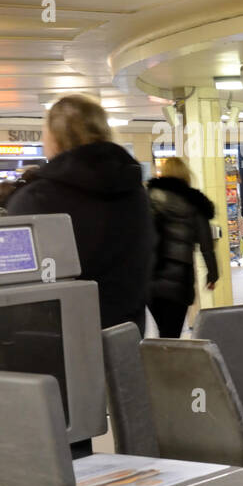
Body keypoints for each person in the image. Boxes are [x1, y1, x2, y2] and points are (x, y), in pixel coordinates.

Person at [8, 95, 154, 332]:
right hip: (124, 334)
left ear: (53, 137)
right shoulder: (135, 192)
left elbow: (20, 281)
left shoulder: (36, 199)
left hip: (58, 340)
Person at [146, 157, 219, 338]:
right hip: (179, 279)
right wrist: (212, 274)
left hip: (150, 276)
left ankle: (157, 362)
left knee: (158, 329)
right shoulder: (194, 203)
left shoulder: (149, 197)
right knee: (171, 333)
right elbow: (206, 243)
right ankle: (167, 363)